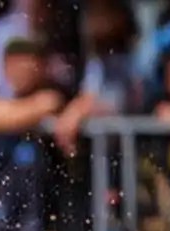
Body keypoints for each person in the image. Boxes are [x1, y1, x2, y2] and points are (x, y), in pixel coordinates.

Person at [52, 0, 141, 155]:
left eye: (101, 13)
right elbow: (89, 96)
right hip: (102, 155)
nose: (92, 22)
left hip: (134, 153)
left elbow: (118, 106)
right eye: (91, 14)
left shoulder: (135, 59)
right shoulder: (96, 61)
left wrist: (76, 112)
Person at [0, 37, 67, 151]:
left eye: (25, 67)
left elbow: (38, 107)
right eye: (13, 66)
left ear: (41, 67)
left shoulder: (52, 96)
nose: (19, 73)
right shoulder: (3, 99)